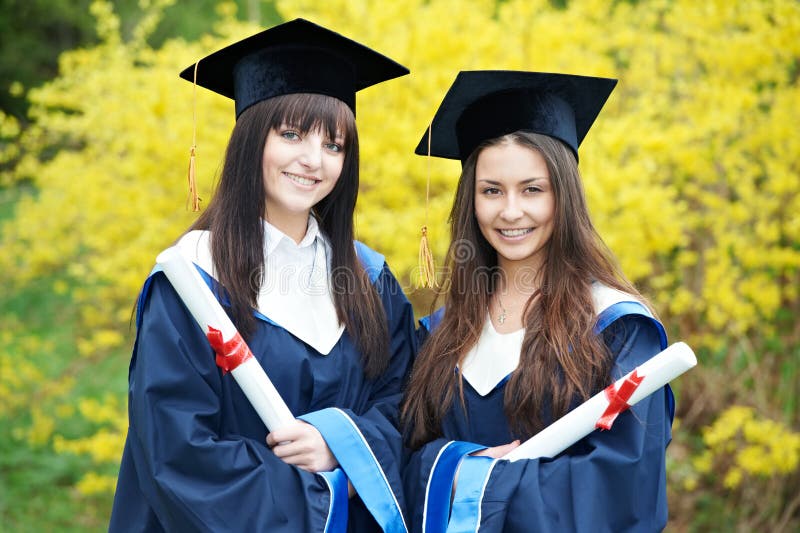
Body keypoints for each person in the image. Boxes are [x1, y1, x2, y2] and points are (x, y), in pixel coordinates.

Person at [110, 19, 415, 532]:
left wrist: (342, 445)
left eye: (334, 145)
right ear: (252, 139)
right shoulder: (192, 281)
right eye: (291, 134)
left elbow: (406, 402)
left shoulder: (368, 278)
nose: (313, 160)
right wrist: (318, 500)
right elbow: (177, 451)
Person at [401, 71, 675, 532]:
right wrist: (456, 464)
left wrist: (478, 482)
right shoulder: (440, 334)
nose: (511, 211)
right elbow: (406, 457)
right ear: (471, 200)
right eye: (491, 191)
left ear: (564, 196)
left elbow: (623, 486)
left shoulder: (618, 329)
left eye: (533, 189)